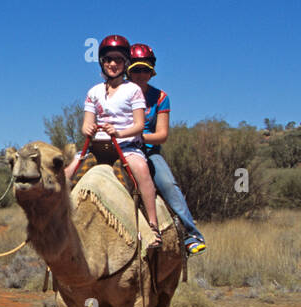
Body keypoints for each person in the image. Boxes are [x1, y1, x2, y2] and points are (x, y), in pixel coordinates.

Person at [63, 35, 161, 249]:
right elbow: (86, 124)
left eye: (118, 59)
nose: (113, 64)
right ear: (102, 62)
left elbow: (138, 124)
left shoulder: (133, 90)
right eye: (108, 59)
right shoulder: (94, 92)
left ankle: (153, 226)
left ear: (125, 62)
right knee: (65, 175)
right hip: (97, 147)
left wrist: (119, 132)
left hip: (126, 147)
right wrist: (87, 128)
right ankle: (55, 225)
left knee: (142, 171)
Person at [127, 43, 207, 255]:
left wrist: (136, 136)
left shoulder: (160, 98)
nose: (140, 74)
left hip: (147, 152)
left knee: (167, 183)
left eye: (145, 69)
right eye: (135, 69)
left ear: (151, 72)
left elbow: (162, 135)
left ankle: (191, 234)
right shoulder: (116, 93)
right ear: (128, 70)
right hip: (117, 149)